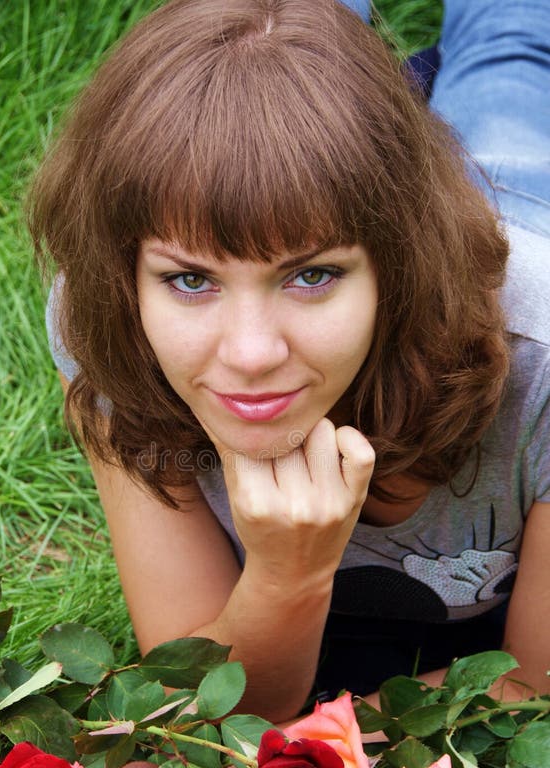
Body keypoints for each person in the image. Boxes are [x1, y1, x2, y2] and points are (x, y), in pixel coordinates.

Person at [31, 0, 550, 723]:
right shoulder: (110, 325)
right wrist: (286, 576)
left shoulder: (540, 360)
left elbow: (534, 686)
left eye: (312, 275)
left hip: (524, 212)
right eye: (190, 280)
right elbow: (197, 704)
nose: (251, 355)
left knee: (509, 49)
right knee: (275, 60)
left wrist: (304, 757)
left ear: (396, 266)